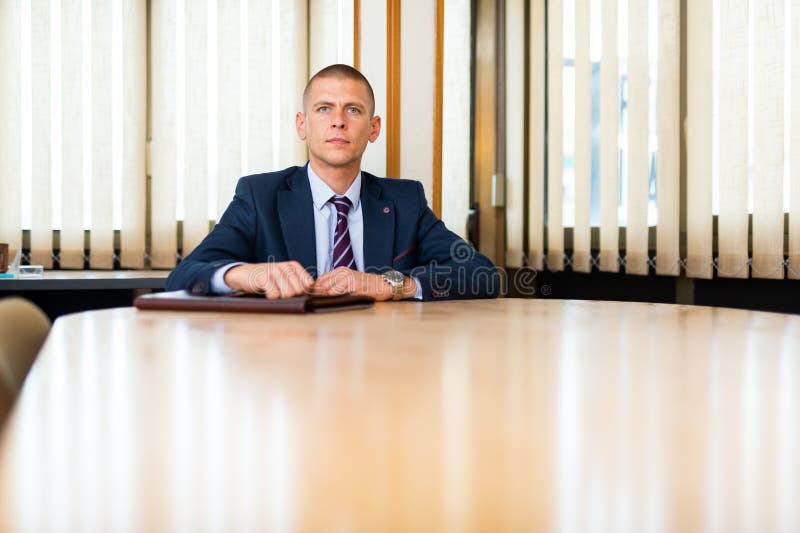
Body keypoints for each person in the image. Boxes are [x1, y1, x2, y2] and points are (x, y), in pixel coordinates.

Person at [166, 64, 499, 301]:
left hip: (386, 361)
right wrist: (249, 275)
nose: (338, 122)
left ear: (373, 128)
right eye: (324, 109)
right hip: (289, 364)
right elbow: (184, 275)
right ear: (302, 125)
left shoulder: (404, 201)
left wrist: (392, 285)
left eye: (353, 110)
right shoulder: (259, 196)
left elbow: (482, 274)